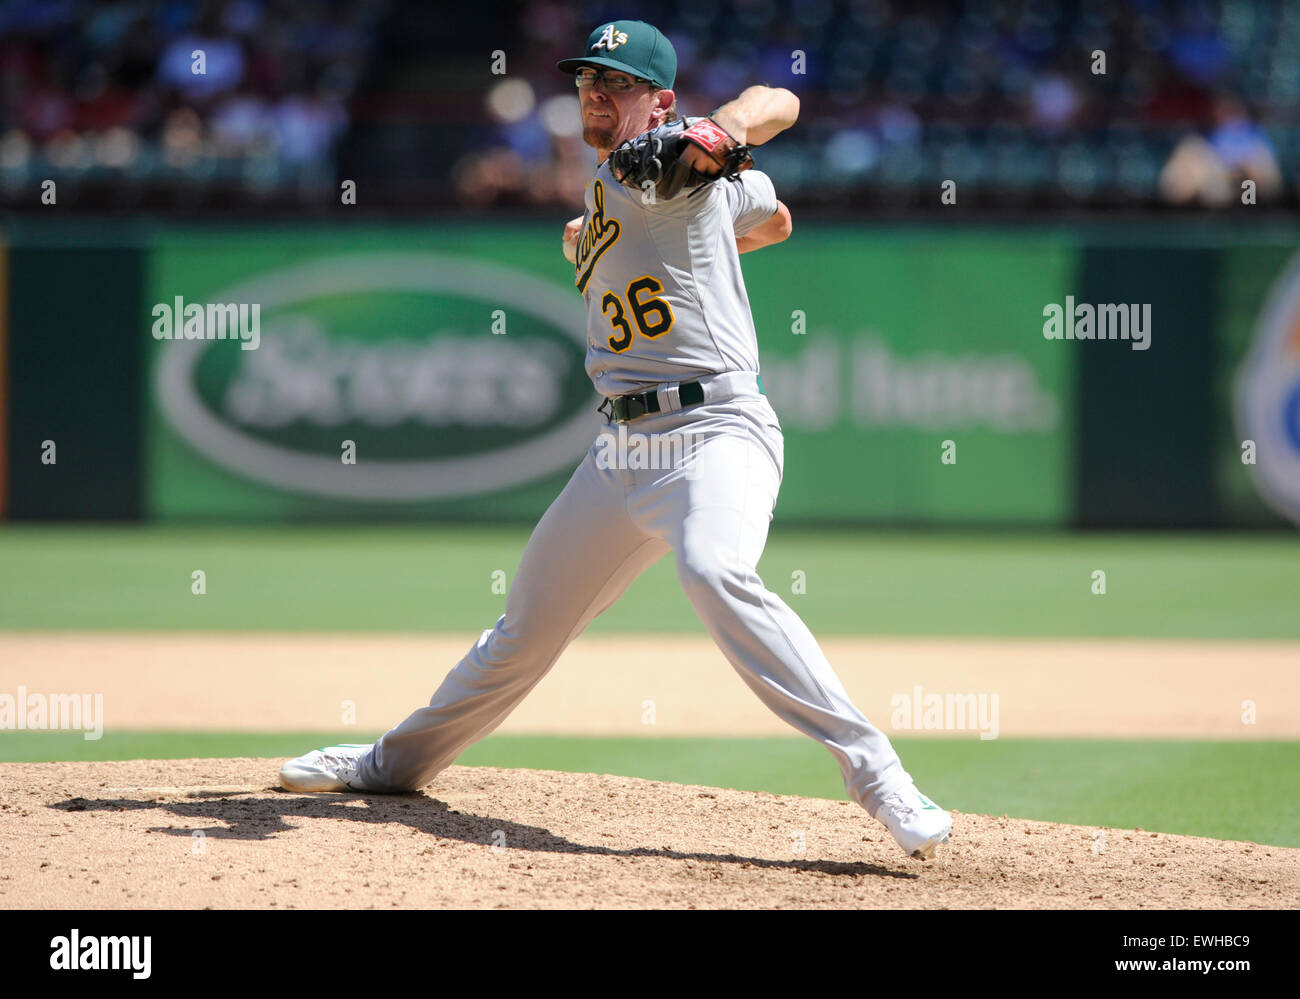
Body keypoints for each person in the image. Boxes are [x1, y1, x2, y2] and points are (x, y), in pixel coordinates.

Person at [280, 19, 953, 861]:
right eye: (588, 78)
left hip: (715, 431)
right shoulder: (611, 190)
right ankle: (389, 764)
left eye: (617, 81)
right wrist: (653, 237)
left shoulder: (675, 159)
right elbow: (775, 220)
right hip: (621, 451)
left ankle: (882, 779)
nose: (596, 91)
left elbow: (775, 101)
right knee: (523, 632)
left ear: (660, 101)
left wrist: (720, 133)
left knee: (714, 568)